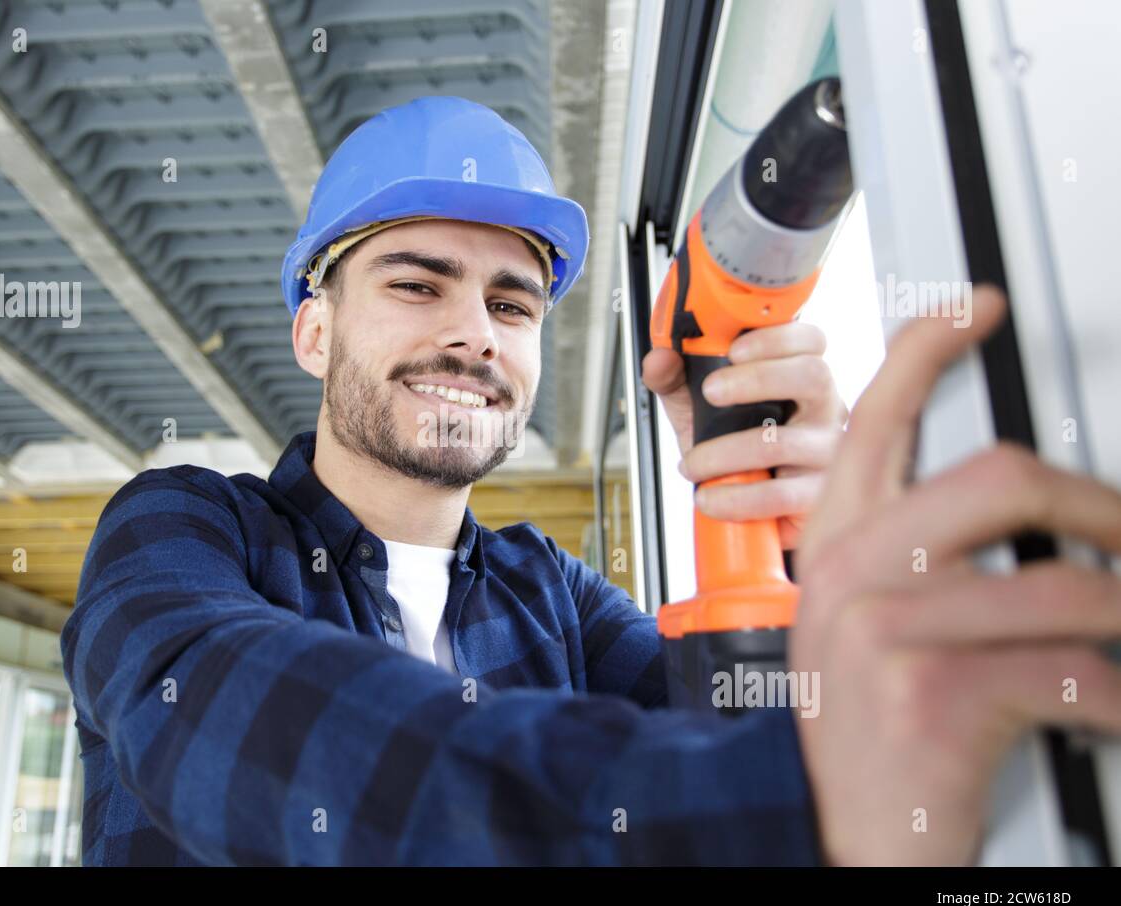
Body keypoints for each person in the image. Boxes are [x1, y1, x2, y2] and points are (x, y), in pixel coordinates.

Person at [60, 96, 1121, 865]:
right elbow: (223, 719)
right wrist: (800, 795)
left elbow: (753, 725)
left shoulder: (552, 592)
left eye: (512, 305)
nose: (473, 332)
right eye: (417, 283)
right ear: (314, 328)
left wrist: (791, 534)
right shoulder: (185, 526)